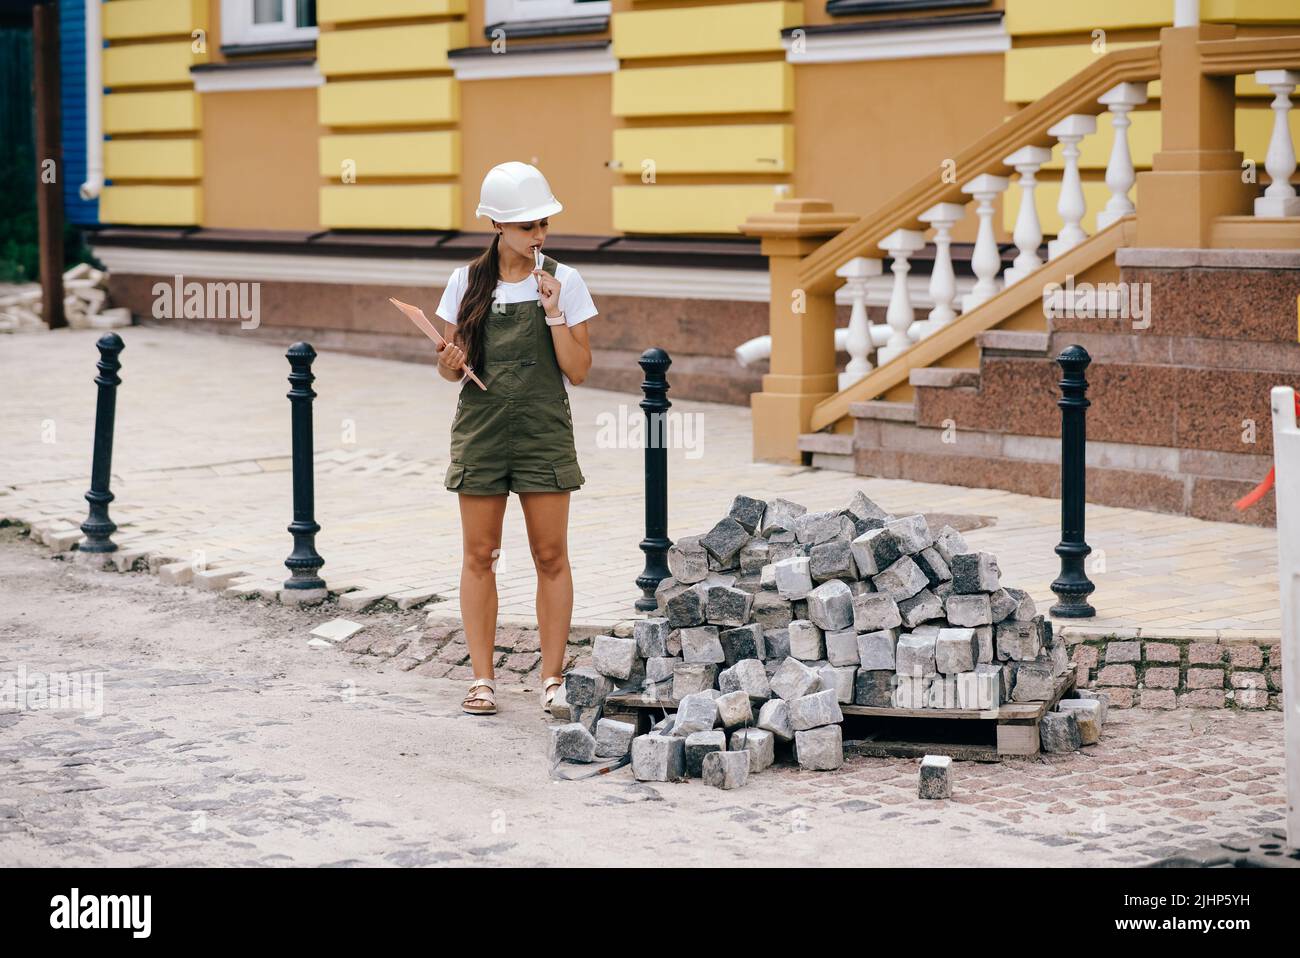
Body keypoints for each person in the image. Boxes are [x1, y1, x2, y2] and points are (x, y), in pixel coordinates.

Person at [433, 161, 596, 716]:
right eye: (528, 226)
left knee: (550, 554)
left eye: (543, 223)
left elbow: (578, 370)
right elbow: (450, 373)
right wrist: (452, 361)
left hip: (543, 432)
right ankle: (482, 679)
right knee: (481, 554)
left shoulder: (565, 280)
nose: (539, 235)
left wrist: (553, 313)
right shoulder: (466, 282)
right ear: (498, 225)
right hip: (480, 432)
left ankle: (552, 677)